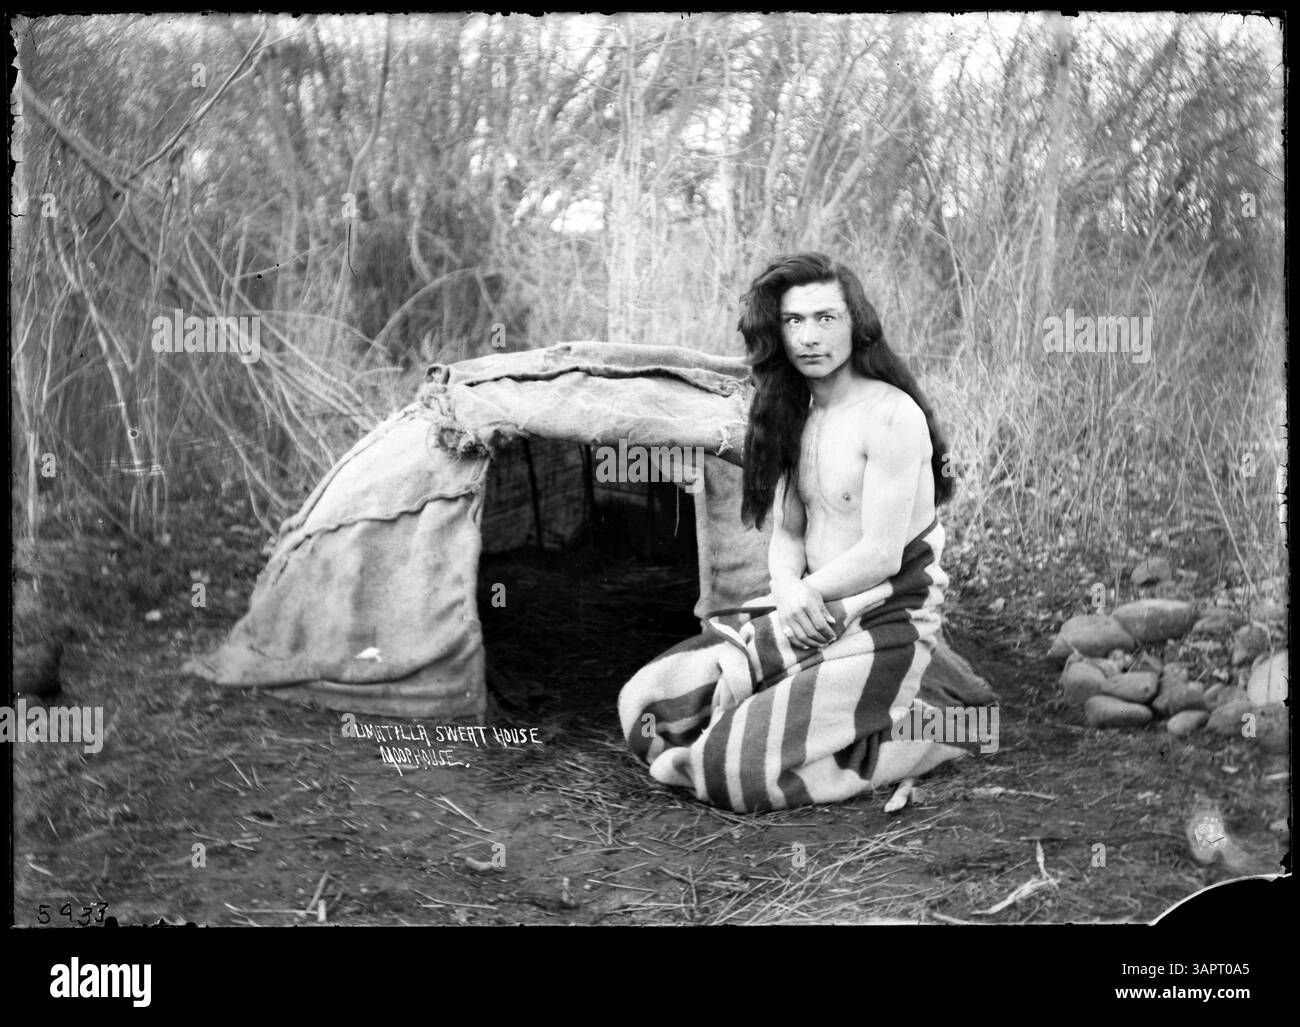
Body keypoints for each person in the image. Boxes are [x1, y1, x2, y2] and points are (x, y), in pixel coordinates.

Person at [619, 253, 993, 813]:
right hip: (807, 603)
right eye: (794, 322)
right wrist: (787, 586)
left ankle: (934, 728)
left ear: (855, 323)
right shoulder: (795, 415)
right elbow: (789, 533)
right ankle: (823, 705)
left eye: (826, 318)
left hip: (884, 613)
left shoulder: (892, 416)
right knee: (643, 703)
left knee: (733, 769)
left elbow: (883, 554)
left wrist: (805, 594)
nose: (809, 336)